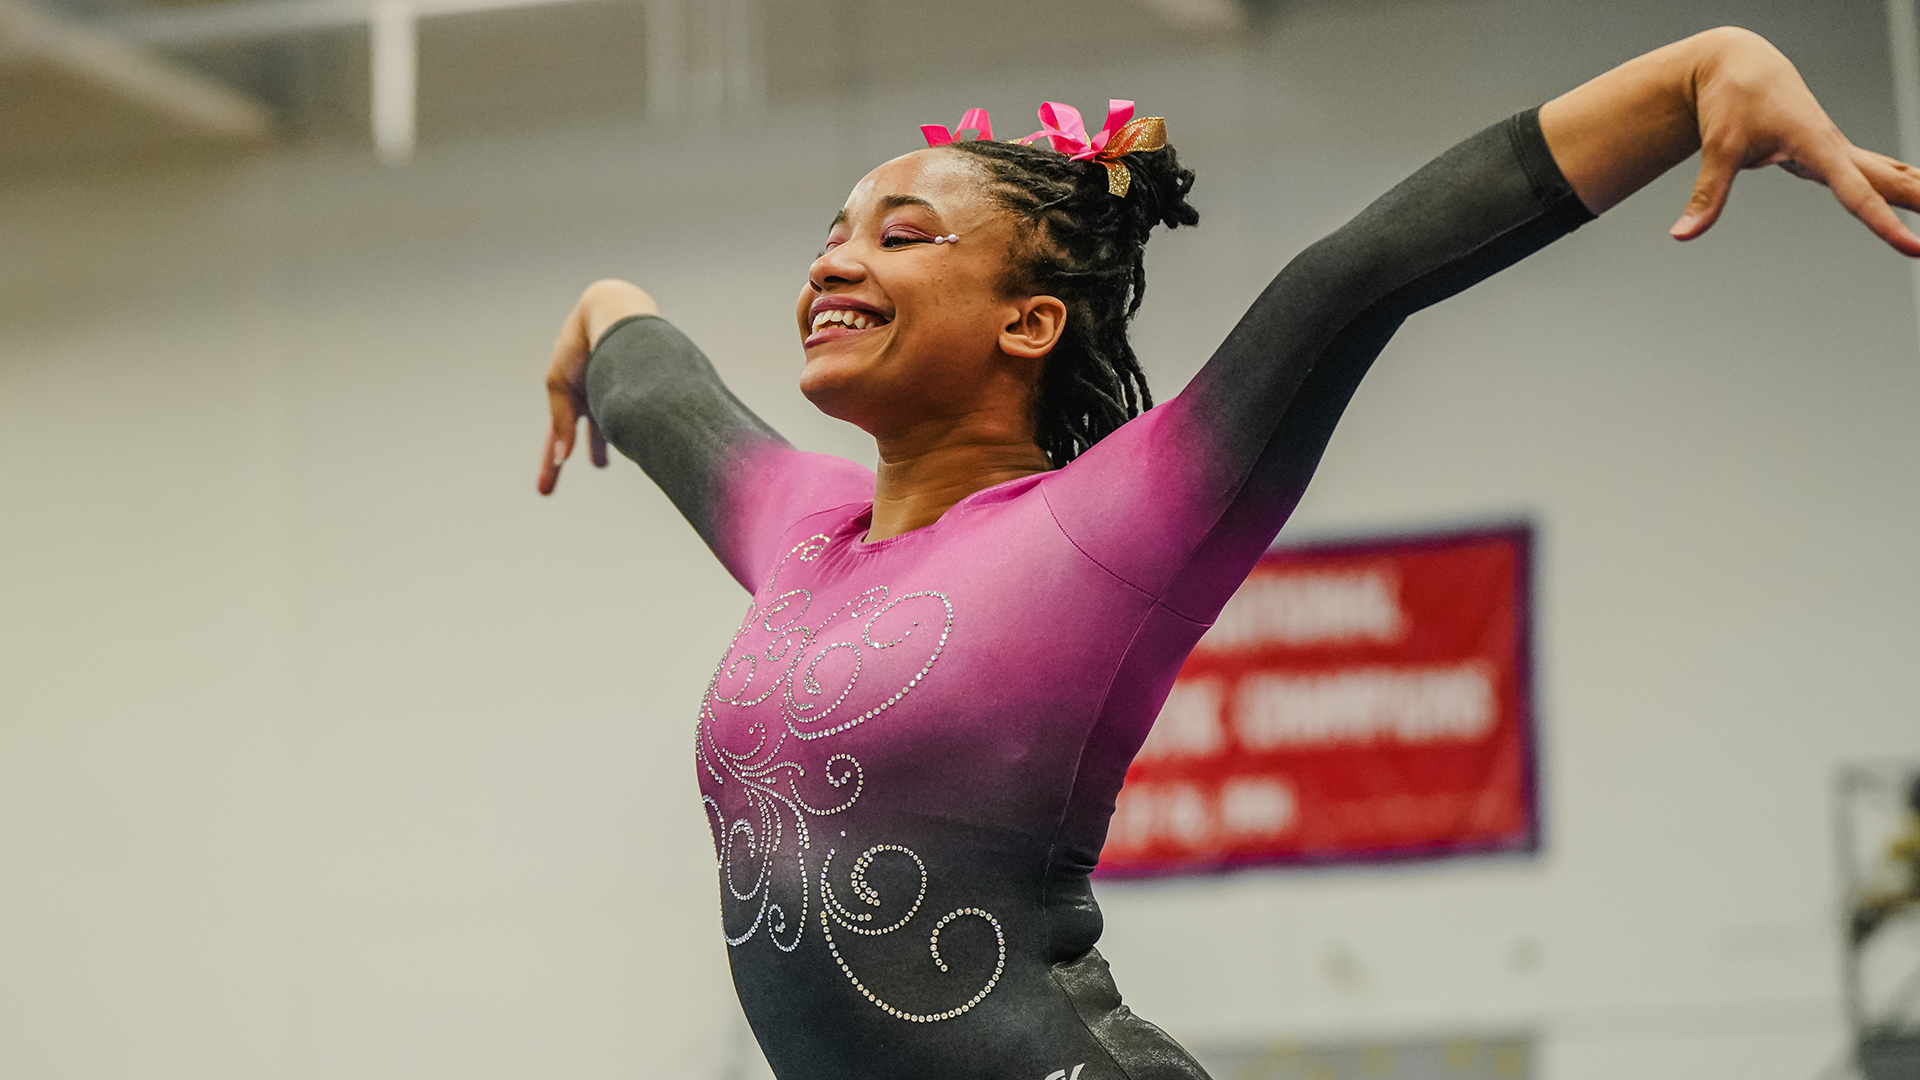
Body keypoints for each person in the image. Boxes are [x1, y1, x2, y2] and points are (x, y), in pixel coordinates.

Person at [536, 27, 1918, 1080]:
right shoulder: (802, 532)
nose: (834, 265)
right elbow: (656, 386)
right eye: (828, 238)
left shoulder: (1114, 520)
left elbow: (1354, 276)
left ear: (1029, 325)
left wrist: (1701, 76)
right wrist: (598, 315)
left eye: (902, 237)